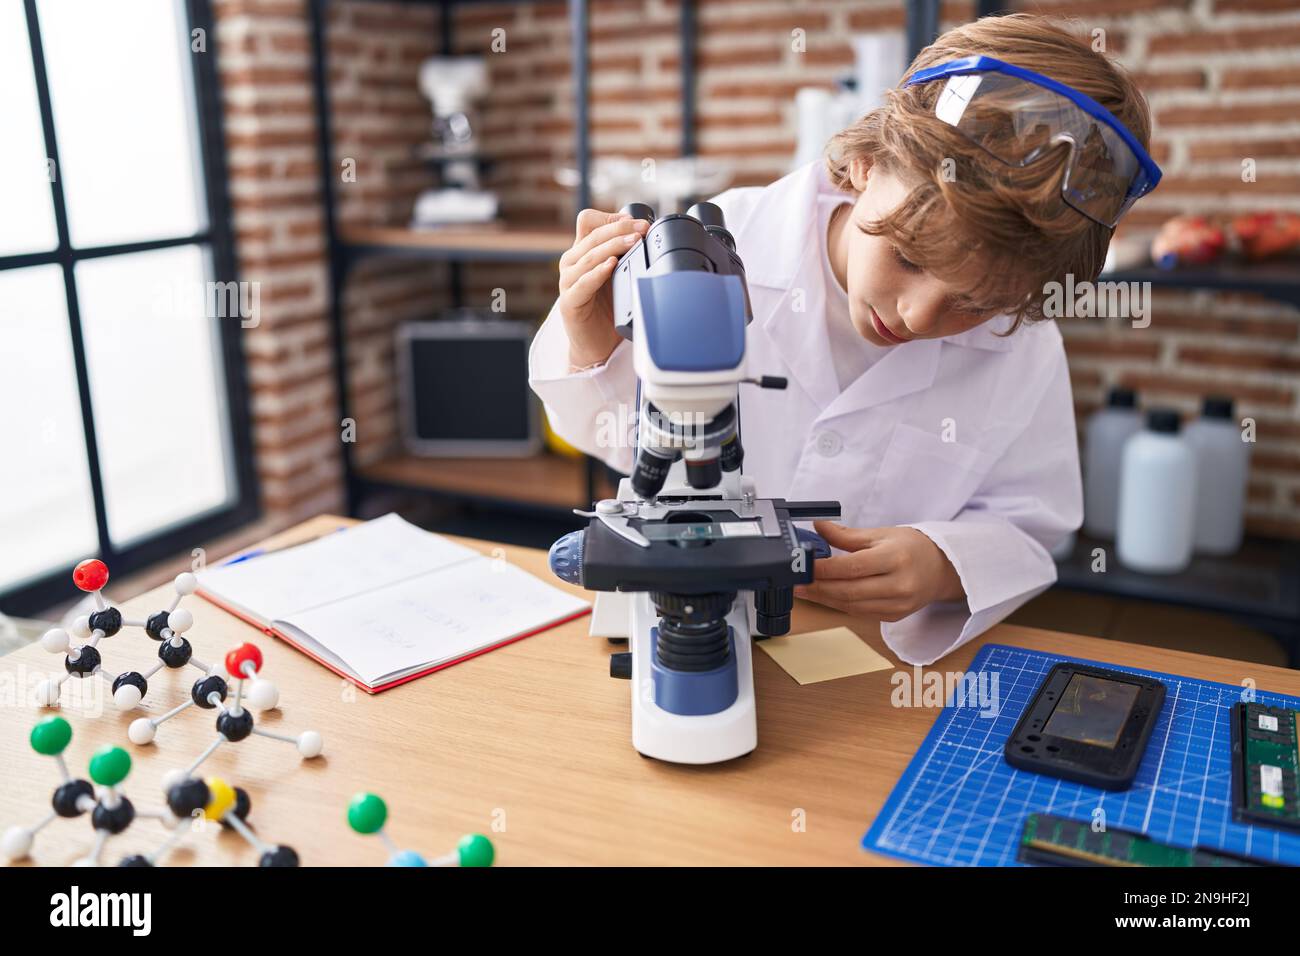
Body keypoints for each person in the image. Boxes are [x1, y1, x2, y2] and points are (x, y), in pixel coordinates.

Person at [528, 14, 1161, 664]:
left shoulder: (1021, 343)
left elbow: (1035, 522)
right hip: (705, 601)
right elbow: (607, 439)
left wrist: (943, 564)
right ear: (863, 162)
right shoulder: (719, 250)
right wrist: (591, 340)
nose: (918, 315)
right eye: (910, 259)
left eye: (976, 302)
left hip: (873, 656)